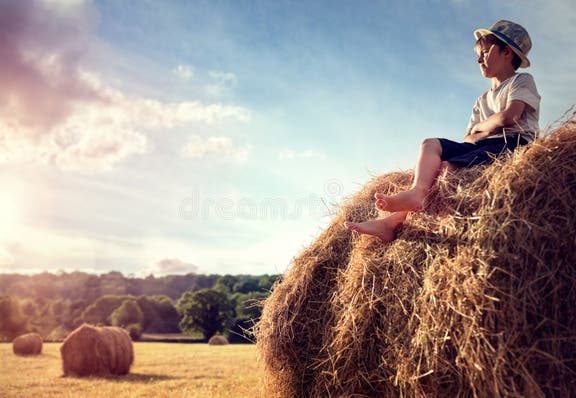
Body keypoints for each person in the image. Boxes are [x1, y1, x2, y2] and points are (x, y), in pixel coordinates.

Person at [344, 20, 540, 243]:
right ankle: (414, 195)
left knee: (446, 170)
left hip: (513, 142)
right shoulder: (482, 100)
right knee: (430, 144)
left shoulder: (521, 81)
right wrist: (481, 130)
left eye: (484, 53)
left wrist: (479, 128)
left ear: (506, 52)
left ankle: (392, 222)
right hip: (481, 144)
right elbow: (468, 137)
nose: (478, 60)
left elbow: (509, 116)